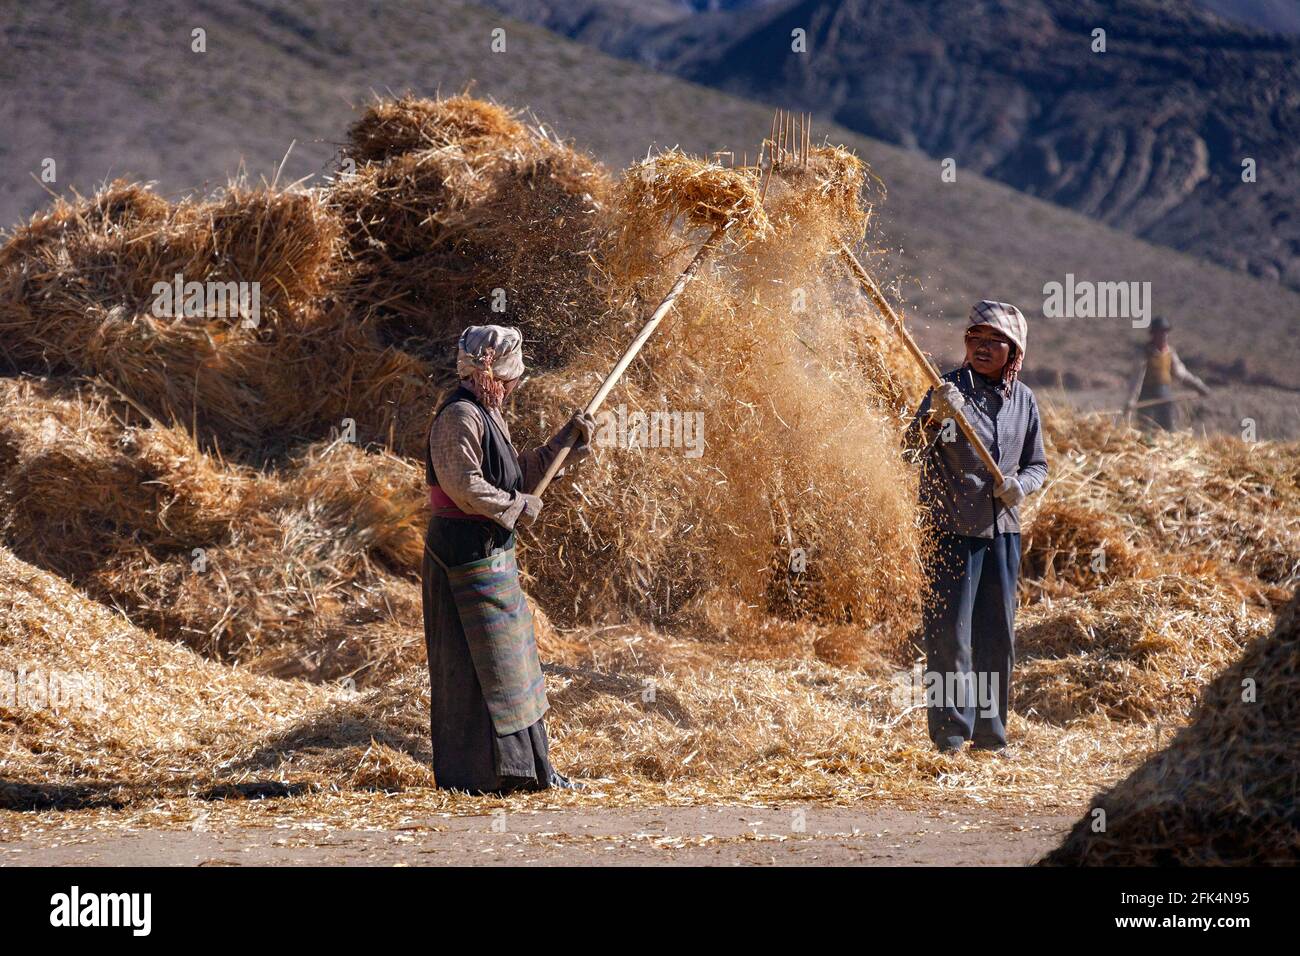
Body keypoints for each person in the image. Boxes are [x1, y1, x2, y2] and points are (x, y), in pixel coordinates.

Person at [422, 324, 595, 793]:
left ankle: (530, 771)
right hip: (460, 557)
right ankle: (482, 778)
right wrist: (517, 507)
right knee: (475, 668)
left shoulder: (489, 412)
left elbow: (514, 473)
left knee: (512, 664)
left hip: (490, 554)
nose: (516, 385)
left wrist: (565, 445)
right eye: (512, 377)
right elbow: (466, 486)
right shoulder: (460, 416)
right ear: (493, 375)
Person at [906, 301, 1048, 754]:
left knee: (997, 636)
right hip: (951, 529)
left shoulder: (1024, 401)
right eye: (975, 339)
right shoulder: (946, 392)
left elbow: (1037, 464)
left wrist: (1019, 486)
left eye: (994, 342)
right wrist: (935, 419)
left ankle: (990, 736)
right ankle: (949, 736)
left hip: (1003, 531)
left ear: (1015, 350)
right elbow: (909, 451)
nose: (982, 348)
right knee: (950, 634)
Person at [1123, 316, 1211, 431]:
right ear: (1153, 335)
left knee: (1168, 431)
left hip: (1164, 397)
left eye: (1165, 332)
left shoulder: (1170, 353)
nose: (1164, 336)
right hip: (1146, 398)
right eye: (1160, 333)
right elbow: (1136, 379)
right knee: (1146, 432)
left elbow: (1182, 374)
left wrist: (1199, 387)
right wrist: (1131, 401)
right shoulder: (1144, 353)